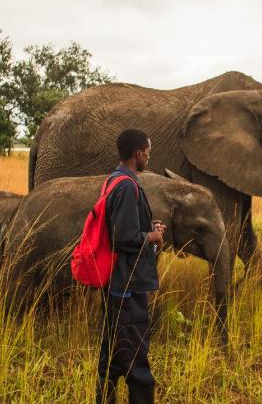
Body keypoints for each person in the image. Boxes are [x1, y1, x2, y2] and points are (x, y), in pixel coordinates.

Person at [96, 129, 166, 404]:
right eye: (147, 151)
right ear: (138, 153)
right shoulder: (127, 185)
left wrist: (148, 230)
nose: (149, 156)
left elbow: (121, 228)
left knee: (112, 354)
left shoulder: (114, 180)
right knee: (137, 358)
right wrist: (151, 237)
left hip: (117, 283)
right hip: (128, 286)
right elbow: (122, 237)